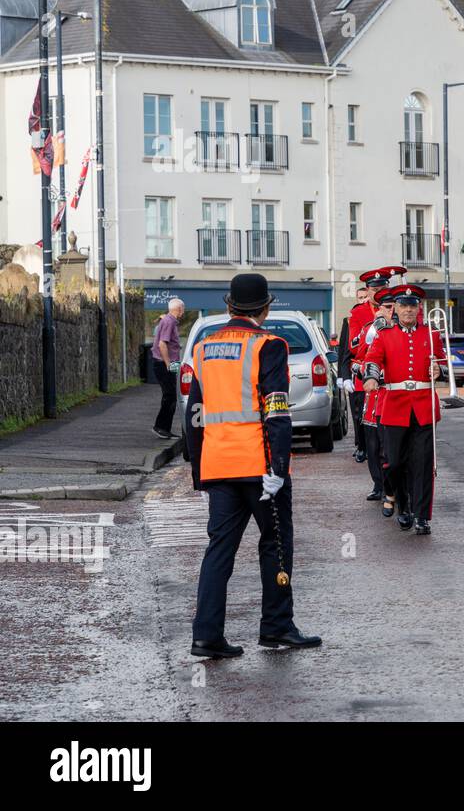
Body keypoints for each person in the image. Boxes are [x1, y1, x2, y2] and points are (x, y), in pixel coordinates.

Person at [186, 274, 320, 658]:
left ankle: (206, 635)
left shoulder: (204, 347)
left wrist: (200, 471)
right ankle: (277, 627)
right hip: (259, 465)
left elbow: (195, 414)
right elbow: (276, 410)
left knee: (219, 552)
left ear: (229, 306)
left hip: (217, 464)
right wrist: (279, 466)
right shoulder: (269, 345)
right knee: (275, 545)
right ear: (265, 307)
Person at [363, 284, 444, 535]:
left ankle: (421, 516)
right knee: (395, 462)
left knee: (422, 464)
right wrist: (372, 378)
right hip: (395, 405)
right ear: (395, 308)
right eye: (403, 305)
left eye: (412, 305)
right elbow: (373, 359)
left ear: (419, 308)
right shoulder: (385, 335)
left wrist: (439, 370)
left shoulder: (431, 334)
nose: (408, 310)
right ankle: (403, 505)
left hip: (422, 404)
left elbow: (442, 361)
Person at [341, 267, 406, 462]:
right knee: (364, 419)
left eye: (382, 287)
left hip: (393, 371)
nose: (378, 292)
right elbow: (351, 347)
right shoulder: (358, 312)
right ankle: (364, 449)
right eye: (374, 289)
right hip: (366, 371)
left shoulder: (397, 308)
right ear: (368, 290)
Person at [352, 289, 396, 508]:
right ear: (379, 309)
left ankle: (394, 487)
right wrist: (365, 373)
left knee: (391, 445)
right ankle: (378, 484)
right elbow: (357, 358)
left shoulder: (405, 330)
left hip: (395, 393)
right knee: (374, 444)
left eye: (394, 306)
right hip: (375, 392)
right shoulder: (369, 330)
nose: (392, 311)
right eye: (387, 307)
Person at [151, 297, 185, 439]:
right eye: (183, 309)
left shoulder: (170, 321)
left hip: (172, 362)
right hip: (164, 363)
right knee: (169, 395)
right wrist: (168, 365)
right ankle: (160, 427)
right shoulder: (169, 322)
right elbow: (162, 344)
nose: (183, 311)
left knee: (172, 395)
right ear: (179, 309)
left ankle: (165, 428)